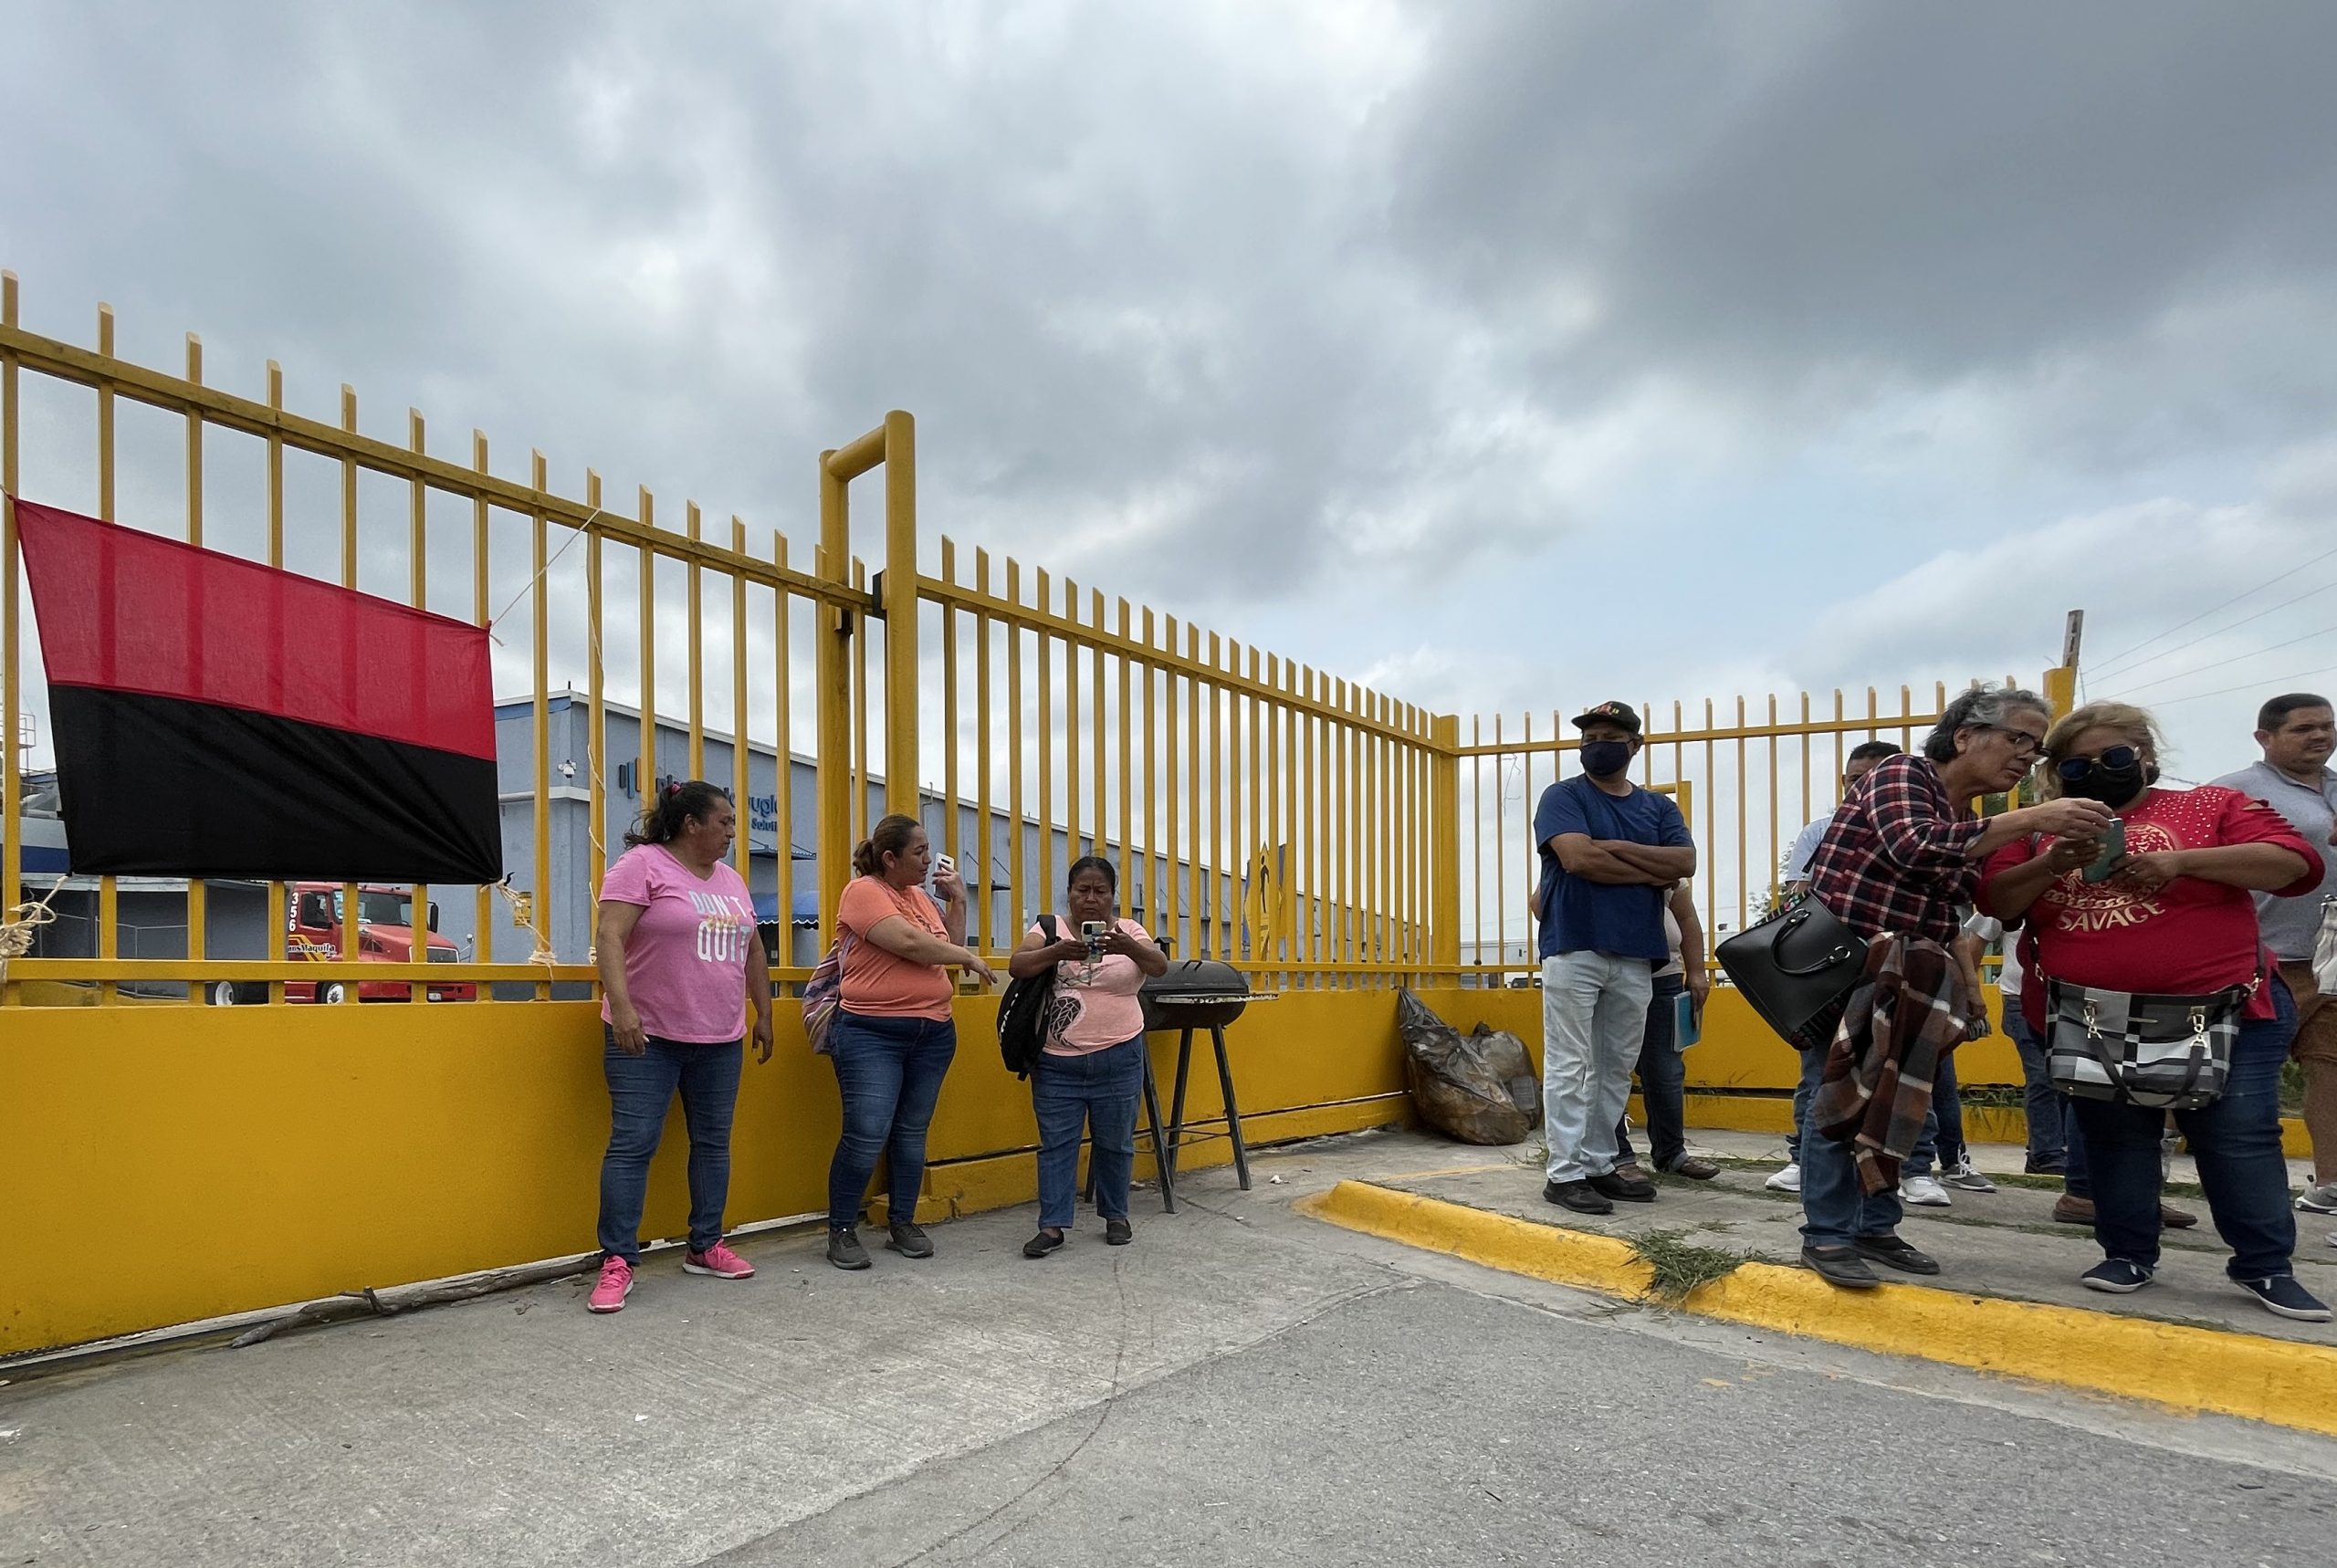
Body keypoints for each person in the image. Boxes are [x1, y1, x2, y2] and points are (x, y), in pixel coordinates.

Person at [1980, 702, 2329, 1321]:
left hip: (2226, 1009)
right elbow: (2000, 903)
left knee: (2236, 1137)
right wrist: (2051, 860)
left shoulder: (2208, 805)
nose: (2101, 771)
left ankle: (2265, 1266)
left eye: (2115, 756)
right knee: (2115, 1139)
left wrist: (2181, 861)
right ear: (2057, 771)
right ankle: (2127, 1253)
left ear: (2146, 753)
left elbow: (2295, 864)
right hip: (2092, 1015)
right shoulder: (2037, 826)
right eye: (2078, 764)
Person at [1797, 686, 2113, 1290]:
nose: (2027, 755)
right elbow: (1912, 846)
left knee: (1897, 1103)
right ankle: (1829, 1234)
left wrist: (1967, 984)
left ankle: (1874, 1226)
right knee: (1838, 1095)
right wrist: (2032, 818)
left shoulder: (1967, 818)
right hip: (1849, 967)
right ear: (1965, 735)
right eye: (2017, 738)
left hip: (1913, 975)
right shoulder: (1903, 774)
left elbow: (1955, 913)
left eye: (2036, 746)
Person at [588, 781, 775, 1314]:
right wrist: (621, 1008)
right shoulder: (641, 865)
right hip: (649, 1036)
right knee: (633, 1143)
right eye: (724, 823)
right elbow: (610, 936)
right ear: (691, 823)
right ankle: (618, 1260)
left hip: (719, 1037)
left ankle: (706, 1244)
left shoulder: (733, 880)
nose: (732, 834)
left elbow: (753, 947)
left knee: (713, 1142)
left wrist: (764, 1012)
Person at [1533, 702, 1697, 1214]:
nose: (1594, 744)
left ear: (1634, 745)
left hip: (1636, 952)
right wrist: (1650, 868)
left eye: (1607, 735)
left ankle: (1600, 1162)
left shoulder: (1660, 808)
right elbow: (1577, 858)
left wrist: (1612, 849)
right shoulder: (1562, 796)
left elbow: (1685, 862)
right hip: (1574, 944)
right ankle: (1564, 1174)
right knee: (1569, 1063)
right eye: (1588, 736)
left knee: (1614, 1067)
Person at [823, 813, 997, 1270]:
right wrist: (968, 958)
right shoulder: (862, 892)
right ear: (889, 857)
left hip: (932, 1032)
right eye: (918, 851)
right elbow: (911, 945)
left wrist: (959, 903)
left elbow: (945, 952)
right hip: (871, 1033)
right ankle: (841, 1229)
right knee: (866, 1133)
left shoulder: (919, 897)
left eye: (927, 850)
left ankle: (902, 1220)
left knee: (911, 1133)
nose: (926, 859)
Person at [2211, 693, 2337, 1214]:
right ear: (2264, 738)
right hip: (2259, 958)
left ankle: (2329, 1184)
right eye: (2304, 728)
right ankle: (2158, 1155)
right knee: (2217, 1064)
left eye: (2327, 727)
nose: (2320, 736)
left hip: (2328, 957)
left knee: (2329, 1065)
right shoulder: (2233, 791)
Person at [1007, 857, 1169, 1258]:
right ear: (1070, 893)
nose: (1091, 900)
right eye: (1083, 891)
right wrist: (1057, 951)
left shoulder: (1130, 930)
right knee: (1056, 1145)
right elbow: (1017, 965)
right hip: (1057, 1061)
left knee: (1116, 1143)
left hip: (1120, 1055)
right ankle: (1052, 1226)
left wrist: (1127, 945)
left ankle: (1116, 1216)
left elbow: (1159, 966)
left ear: (1113, 897)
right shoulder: (1049, 929)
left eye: (1100, 892)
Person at [1767, 743, 1904, 1195]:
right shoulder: (1820, 831)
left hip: (1896, 965)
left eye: (1871, 777)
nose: (1858, 787)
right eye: (1851, 779)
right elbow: (1798, 900)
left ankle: (1913, 1171)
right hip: (1831, 968)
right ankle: (1802, 1157)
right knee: (1819, 1071)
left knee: (1901, 1076)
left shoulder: (1915, 830)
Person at [1613, 881, 1721, 1184]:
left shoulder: (1664, 858)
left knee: (1666, 1069)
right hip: (1614, 975)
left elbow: (1686, 917)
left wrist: (1697, 970)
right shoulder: (1592, 849)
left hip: (1665, 978)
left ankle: (1672, 1153)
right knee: (1611, 1068)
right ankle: (1617, 1155)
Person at [1780, 740, 1905, 901]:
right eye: (1856, 779)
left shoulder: (1916, 832)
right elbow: (1798, 894)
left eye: (1876, 779)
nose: (1863, 786)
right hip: (1832, 924)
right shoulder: (1817, 833)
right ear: (1843, 781)